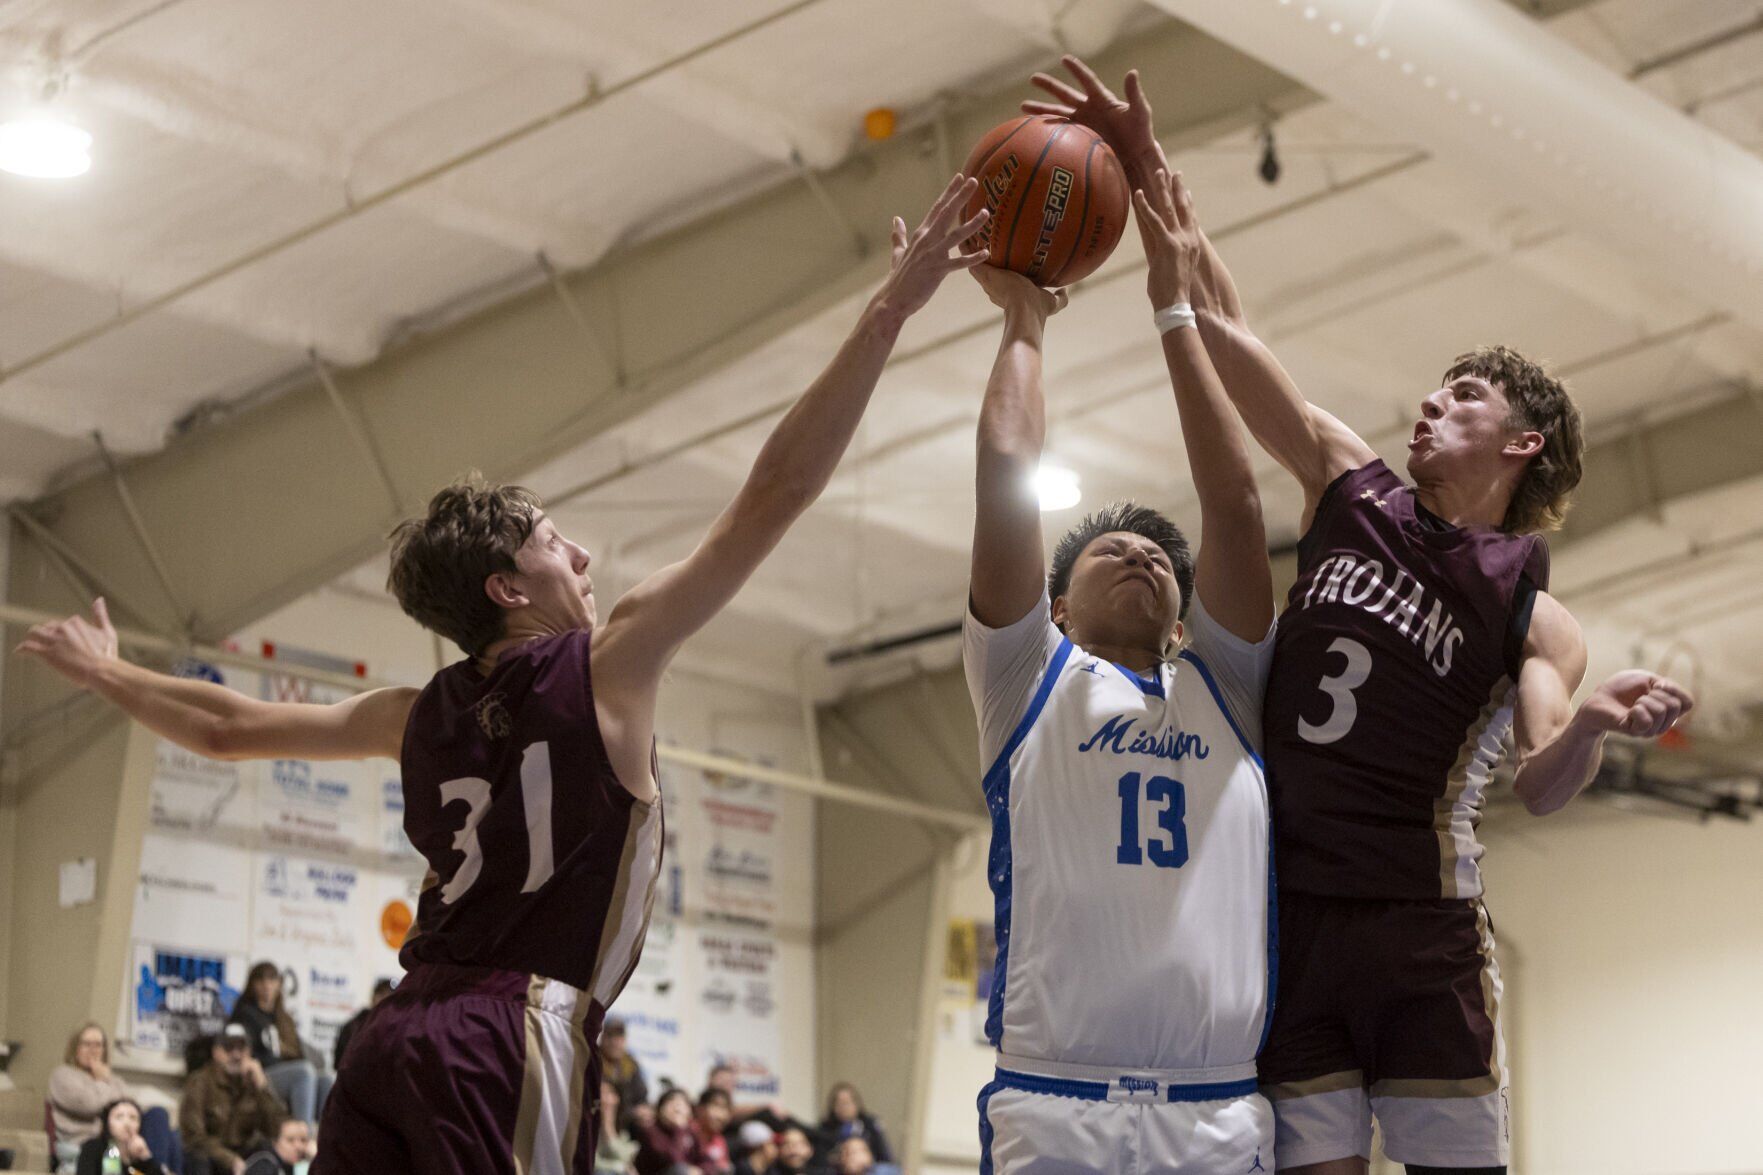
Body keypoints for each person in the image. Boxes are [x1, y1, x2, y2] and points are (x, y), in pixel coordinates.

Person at [17, 176, 991, 1175]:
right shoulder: (610, 661)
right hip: (509, 1030)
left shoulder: (410, 713)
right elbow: (773, 491)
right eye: (557, 545)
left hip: (392, 1035)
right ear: (504, 585)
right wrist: (888, 311)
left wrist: (108, 672)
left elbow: (224, 727)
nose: (582, 561)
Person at [1022, 55, 1695, 1175]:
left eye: (1463, 395)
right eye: (1434, 387)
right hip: (1286, 912)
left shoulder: (1533, 611)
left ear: (1520, 443)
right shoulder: (1350, 481)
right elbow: (1234, 329)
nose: (1430, 401)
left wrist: (1589, 726)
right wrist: (1147, 175)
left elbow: (1537, 779)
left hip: (1419, 925)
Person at [962, 146, 1278, 1170]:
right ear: (1053, 604)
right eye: (1110, 547)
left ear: (1185, 617)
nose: (1141, 551)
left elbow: (1233, 502)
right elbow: (1008, 471)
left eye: (1156, 554)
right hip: (1056, 1100)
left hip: (1217, 1106)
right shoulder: (1026, 674)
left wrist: (1172, 307)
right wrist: (1023, 323)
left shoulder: (1225, 684)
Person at [228, 963, 331, 1125]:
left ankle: (327, 1137)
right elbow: (238, 1049)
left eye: (271, 980)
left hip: (285, 1071)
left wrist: (285, 1049)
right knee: (304, 1072)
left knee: (326, 1078)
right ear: (252, 985)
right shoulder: (245, 1013)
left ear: (279, 984)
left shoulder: (284, 1017)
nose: (267, 986)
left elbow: (300, 1053)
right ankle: (302, 1134)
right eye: (261, 981)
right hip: (261, 1075)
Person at [179, 1026, 286, 1175]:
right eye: (228, 1047)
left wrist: (262, 1087)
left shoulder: (255, 1082)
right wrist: (230, 1160)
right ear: (216, 1052)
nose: (236, 1054)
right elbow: (194, 1137)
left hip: (244, 1156)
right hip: (212, 1156)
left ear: (249, 1052)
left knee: (267, 1153)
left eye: (241, 1048)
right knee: (198, 1157)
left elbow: (276, 1130)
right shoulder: (200, 1082)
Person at [49, 1023, 130, 1171]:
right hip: (79, 1144)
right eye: (86, 1044)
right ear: (75, 1048)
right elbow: (90, 1105)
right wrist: (102, 1082)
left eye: (98, 1045)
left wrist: (106, 1080)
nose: (93, 1051)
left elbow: (128, 1109)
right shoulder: (63, 1075)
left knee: (158, 1115)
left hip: (115, 1144)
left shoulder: (114, 1080)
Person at [75, 1098, 166, 1175]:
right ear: (107, 1123)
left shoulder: (140, 1156)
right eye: (119, 1117)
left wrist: (146, 1157)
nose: (127, 1123)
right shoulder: (93, 1147)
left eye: (133, 1117)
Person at [814, 1085, 889, 1167]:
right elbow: (820, 1158)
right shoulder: (825, 1128)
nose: (844, 1107)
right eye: (839, 1103)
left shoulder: (870, 1124)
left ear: (856, 1103)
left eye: (847, 1102)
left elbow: (884, 1155)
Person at [331, 979, 392, 1073]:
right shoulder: (355, 1026)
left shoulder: (398, 1029)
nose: (385, 1000)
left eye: (390, 997)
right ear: (373, 997)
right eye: (382, 994)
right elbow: (342, 1064)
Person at [600, 1020, 650, 1135]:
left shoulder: (630, 1063)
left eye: (619, 1038)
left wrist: (643, 1110)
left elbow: (642, 1096)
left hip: (628, 1125)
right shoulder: (594, 1060)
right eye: (610, 1037)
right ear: (602, 1039)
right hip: (601, 1125)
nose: (615, 1043)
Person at [635, 1088, 701, 1175]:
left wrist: (701, 1170)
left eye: (682, 1104)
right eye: (672, 1103)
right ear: (660, 1109)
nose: (677, 1109)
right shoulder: (651, 1132)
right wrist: (679, 1129)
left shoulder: (690, 1132)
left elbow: (703, 1158)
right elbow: (672, 1160)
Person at [593, 1082, 638, 1175]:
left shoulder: (626, 1127)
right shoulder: (587, 1127)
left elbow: (625, 1157)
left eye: (608, 1093)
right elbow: (592, 1162)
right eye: (600, 1093)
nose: (603, 1098)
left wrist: (608, 1126)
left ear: (617, 1098)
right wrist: (619, 1167)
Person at [690, 1090, 733, 1175]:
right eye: (716, 1106)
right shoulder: (686, 1133)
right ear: (699, 1109)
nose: (720, 1116)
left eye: (725, 1109)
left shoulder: (720, 1141)